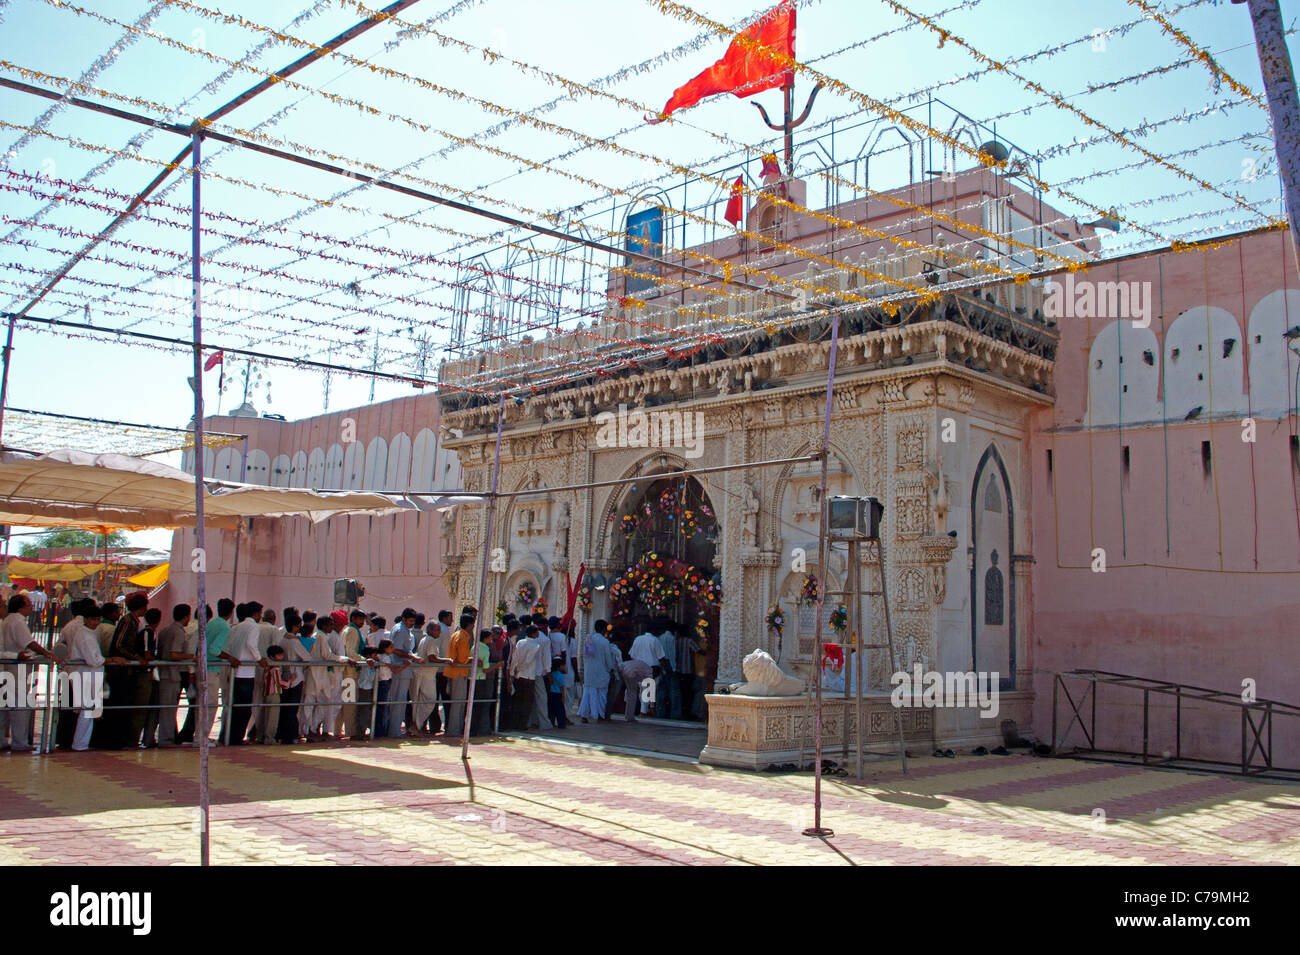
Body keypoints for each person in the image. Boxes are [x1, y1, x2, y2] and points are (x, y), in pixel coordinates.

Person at [53, 599, 106, 751]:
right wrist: (106, 659)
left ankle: (73, 741)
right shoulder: (84, 633)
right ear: (87, 618)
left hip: (77, 673)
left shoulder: (78, 629)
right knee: (86, 709)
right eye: (94, 619)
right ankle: (79, 744)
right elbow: (93, 659)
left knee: (80, 709)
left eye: (98, 619)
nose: (96, 623)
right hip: (83, 673)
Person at [107, 592, 153, 749]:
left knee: (124, 705)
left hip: (125, 669)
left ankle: (119, 739)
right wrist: (135, 657)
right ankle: (116, 740)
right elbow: (119, 644)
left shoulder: (133, 621)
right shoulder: (129, 621)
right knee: (120, 704)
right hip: (121, 670)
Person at [155, 604, 196, 747]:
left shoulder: (165, 630)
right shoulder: (178, 632)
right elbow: (174, 654)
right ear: (186, 616)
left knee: (167, 708)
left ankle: (166, 737)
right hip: (172, 674)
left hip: (163, 673)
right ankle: (166, 739)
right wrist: (192, 656)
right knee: (169, 708)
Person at [225, 601, 265, 745]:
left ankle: (229, 736)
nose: (261, 616)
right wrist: (260, 659)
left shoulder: (237, 626)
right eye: (260, 613)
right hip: (246, 673)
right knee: (244, 709)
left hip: (235, 671)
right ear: (255, 614)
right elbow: (251, 644)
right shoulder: (253, 626)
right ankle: (236, 738)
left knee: (235, 707)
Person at [202, 598, 236, 743]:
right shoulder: (224, 627)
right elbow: (214, 649)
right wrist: (230, 658)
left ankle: (201, 735)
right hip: (212, 669)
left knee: (204, 704)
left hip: (205, 667)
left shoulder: (211, 623)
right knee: (211, 703)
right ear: (230, 612)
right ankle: (202, 737)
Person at [276, 610, 309, 744]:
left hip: (284, 676)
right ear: (295, 626)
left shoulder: (282, 639)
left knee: (284, 707)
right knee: (292, 708)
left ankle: (281, 734)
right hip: (296, 677)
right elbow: (307, 657)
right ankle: (290, 736)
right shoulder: (294, 642)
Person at [412, 620, 448, 736]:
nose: (439, 632)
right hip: (426, 675)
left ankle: (417, 725)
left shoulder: (425, 639)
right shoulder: (430, 640)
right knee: (430, 701)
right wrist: (447, 660)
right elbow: (432, 657)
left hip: (424, 674)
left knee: (422, 701)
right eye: (437, 630)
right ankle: (417, 725)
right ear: (431, 630)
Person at [578, 620, 616, 723]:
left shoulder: (589, 639)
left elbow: (585, 656)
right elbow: (608, 658)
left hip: (589, 671)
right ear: (604, 629)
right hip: (601, 671)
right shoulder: (604, 642)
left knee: (587, 694)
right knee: (601, 695)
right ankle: (600, 715)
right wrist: (611, 669)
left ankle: (584, 715)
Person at [336, 609, 366, 740]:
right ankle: (351, 731)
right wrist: (365, 660)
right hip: (351, 673)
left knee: (344, 703)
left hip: (346, 672)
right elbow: (351, 653)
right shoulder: (353, 631)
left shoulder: (347, 630)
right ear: (353, 619)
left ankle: (337, 730)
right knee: (350, 704)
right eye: (360, 619)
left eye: (363, 619)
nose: (362, 622)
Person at [443, 613, 474, 736]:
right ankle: (454, 730)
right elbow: (462, 658)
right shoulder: (463, 636)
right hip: (459, 672)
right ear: (469, 624)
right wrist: (471, 659)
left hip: (455, 672)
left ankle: (456, 728)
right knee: (458, 702)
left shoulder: (457, 634)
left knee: (458, 702)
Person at [506, 624, 542, 731]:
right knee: (527, 702)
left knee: (518, 700)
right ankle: (522, 724)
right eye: (537, 632)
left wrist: (513, 672)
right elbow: (527, 661)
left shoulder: (520, 642)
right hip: (528, 676)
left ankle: (514, 723)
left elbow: (514, 658)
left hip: (519, 676)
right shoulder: (535, 646)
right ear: (534, 633)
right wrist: (518, 669)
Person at [630, 624, 670, 717]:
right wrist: (665, 668)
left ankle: (649, 709)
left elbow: (632, 654)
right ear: (654, 631)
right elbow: (661, 657)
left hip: (639, 667)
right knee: (648, 689)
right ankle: (644, 711)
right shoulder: (655, 640)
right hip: (652, 669)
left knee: (643, 689)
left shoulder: (637, 639)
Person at [140, 607, 164, 747]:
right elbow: (147, 654)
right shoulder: (149, 633)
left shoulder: (149, 632)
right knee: (152, 707)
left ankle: (148, 738)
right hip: (148, 674)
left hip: (150, 673)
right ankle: (147, 738)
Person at [471, 628, 501, 735]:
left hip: (472, 678)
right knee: (479, 705)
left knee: (473, 705)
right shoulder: (485, 650)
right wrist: (497, 666)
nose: (491, 639)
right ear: (485, 638)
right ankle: (478, 729)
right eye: (490, 637)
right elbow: (485, 669)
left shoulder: (475, 646)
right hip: (480, 678)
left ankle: (472, 729)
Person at [655, 618, 681, 720]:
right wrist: (671, 668)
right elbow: (671, 654)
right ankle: (675, 713)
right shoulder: (671, 638)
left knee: (661, 691)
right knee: (674, 691)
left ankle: (660, 712)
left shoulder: (659, 638)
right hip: (670, 666)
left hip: (662, 666)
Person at [548, 659, 569, 729]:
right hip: (558, 694)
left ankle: (552, 722)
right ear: (559, 667)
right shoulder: (560, 675)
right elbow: (562, 687)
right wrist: (563, 697)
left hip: (551, 693)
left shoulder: (552, 674)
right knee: (560, 711)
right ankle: (561, 724)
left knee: (552, 710)